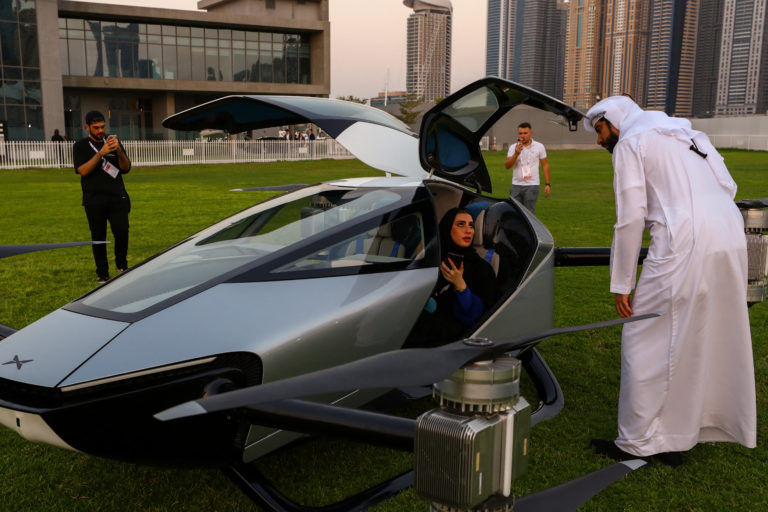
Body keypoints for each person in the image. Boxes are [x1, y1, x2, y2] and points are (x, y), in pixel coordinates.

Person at [584, 96, 756, 467]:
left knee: (643, 337)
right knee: (695, 334)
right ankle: (675, 436)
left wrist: (622, 283)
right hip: (729, 234)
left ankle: (636, 442)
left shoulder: (631, 143)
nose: (599, 141)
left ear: (614, 121)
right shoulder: (688, 134)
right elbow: (728, 185)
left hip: (683, 241)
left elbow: (630, 217)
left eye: (599, 130)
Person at [405, 208, 496, 347]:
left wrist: (460, 286)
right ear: (447, 229)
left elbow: (477, 318)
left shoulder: (483, 269)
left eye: (471, 225)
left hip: (454, 341)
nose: (468, 231)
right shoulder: (430, 258)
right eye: (461, 224)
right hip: (414, 329)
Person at [72, 111, 132, 282]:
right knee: (98, 237)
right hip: (94, 200)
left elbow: (126, 168)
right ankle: (102, 273)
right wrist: (100, 154)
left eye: (102, 127)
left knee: (122, 232)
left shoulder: (112, 142)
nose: (100, 131)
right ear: (87, 127)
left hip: (117, 197)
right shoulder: (81, 146)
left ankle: (122, 265)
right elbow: (82, 171)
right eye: (96, 127)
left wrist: (118, 150)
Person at [504, 122, 550, 214]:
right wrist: (516, 153)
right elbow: (507, 166)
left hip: (532, 185)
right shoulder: (513, 147)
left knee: (529, 214)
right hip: (516, 185)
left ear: (531, 133)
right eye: (520, 133)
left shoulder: (539, 146)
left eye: (525, 133)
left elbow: (545, 165)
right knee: (515, 213)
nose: (523, 136)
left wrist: (548, 184)